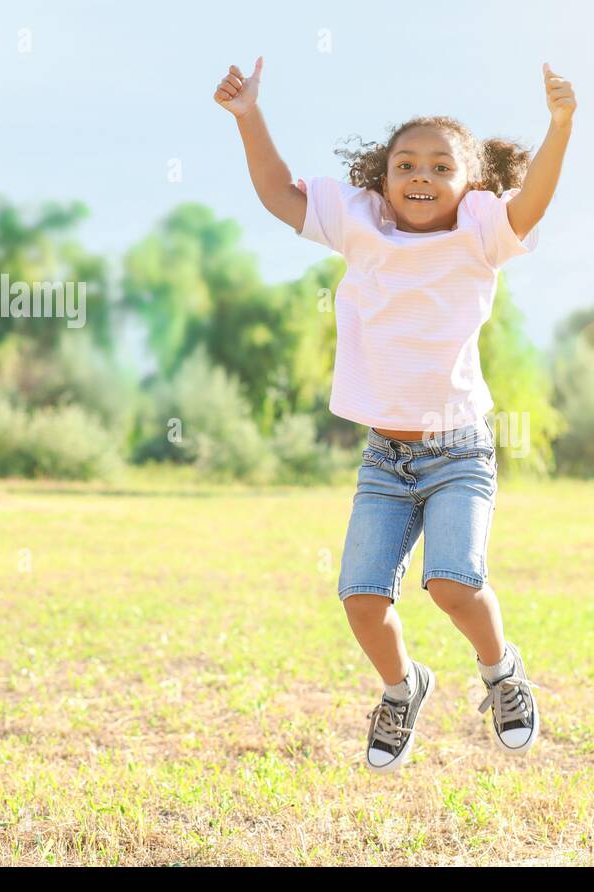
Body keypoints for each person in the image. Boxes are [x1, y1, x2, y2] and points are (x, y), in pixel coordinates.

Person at [214, 56, 575, 772]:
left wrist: (560, 124)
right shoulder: (361, 222)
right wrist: (248, 116)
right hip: (386, 457)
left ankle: (502, 672)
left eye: (441, 166)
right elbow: (279, 195)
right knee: (360, 597)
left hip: (459, 450)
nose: (420, 175)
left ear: (470, 183)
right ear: (382, 176)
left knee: (452, 582)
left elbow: (530, 203)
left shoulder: (481, 230)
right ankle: (400, 686)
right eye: (405, 163)